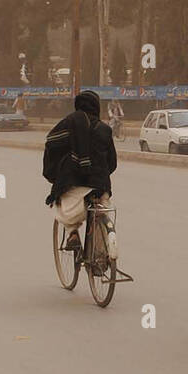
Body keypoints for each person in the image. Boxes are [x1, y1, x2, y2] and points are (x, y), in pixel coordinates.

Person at [43, 90, 117, 253]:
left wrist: (57, 174)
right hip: (100, 185)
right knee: (100, 212)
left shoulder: (68, 123)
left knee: (64, 208)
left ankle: (73, 234)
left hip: (74, 184)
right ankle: (101, 256)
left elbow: (51, 145)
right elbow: (112, 163)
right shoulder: (104, 129)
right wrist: (100, 174)